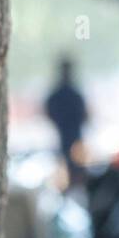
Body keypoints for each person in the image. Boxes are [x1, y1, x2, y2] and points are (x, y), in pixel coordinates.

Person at [44, 57, 89, 186]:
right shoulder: (73, 94)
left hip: (68, 138)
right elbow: (85, 115)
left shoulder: (59, 94)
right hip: (69, 138)